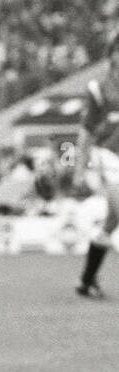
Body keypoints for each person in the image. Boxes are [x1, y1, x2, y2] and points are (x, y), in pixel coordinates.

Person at [76, 29, 119, 298]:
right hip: (108, 157)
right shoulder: (98, 88)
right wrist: (79, 170)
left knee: (111, 223)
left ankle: (86, 280)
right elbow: (86, 133)